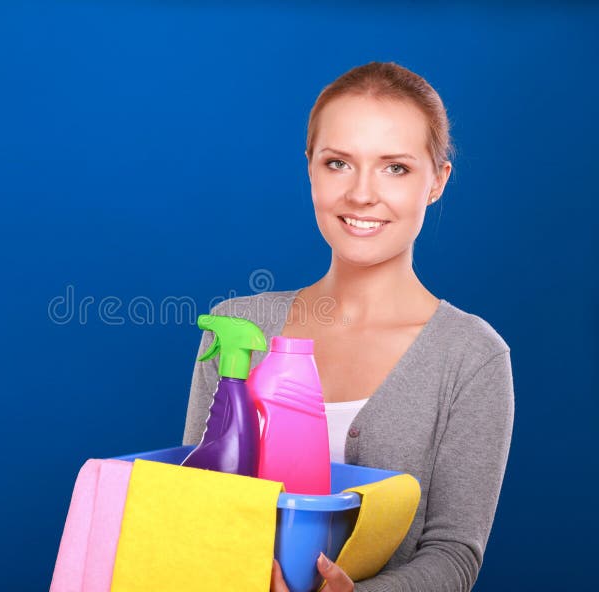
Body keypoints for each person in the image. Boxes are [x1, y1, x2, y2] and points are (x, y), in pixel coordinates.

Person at [182, 62, 515, 592]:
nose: (361, 194)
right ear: (310, 168)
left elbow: (455, 556)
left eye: (395, 168)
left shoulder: (471, 358)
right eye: (338, 163)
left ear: (437, 181)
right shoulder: (236, 327)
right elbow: (197, 506)